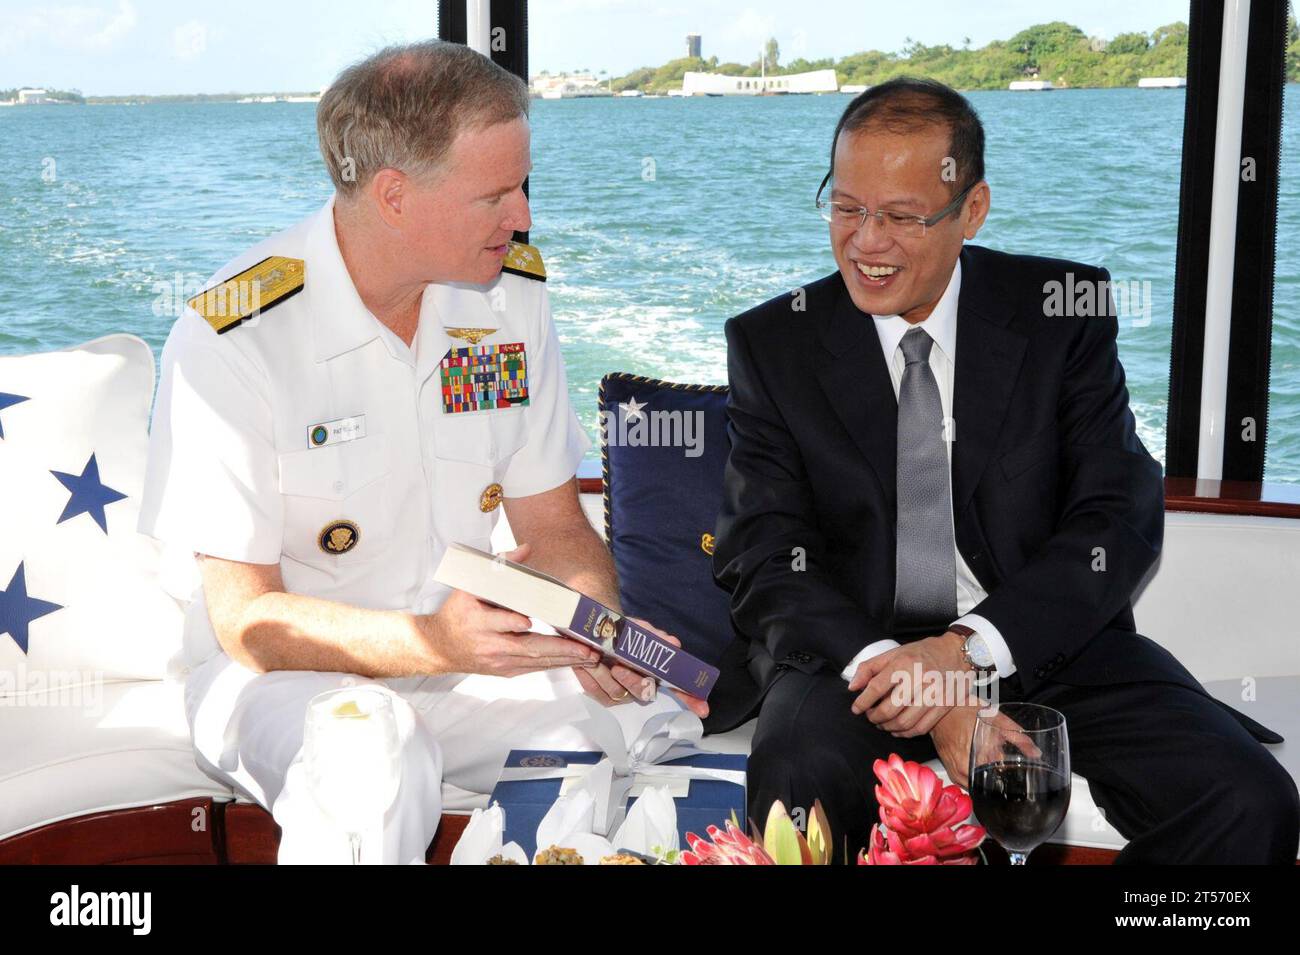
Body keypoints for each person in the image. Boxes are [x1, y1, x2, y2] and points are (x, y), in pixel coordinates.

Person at [138, 40, 704, 865]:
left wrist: (599, 628)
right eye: (495, 195)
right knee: (371, 757)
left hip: (460, 658)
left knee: (644, 726)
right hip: (277, 677)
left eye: (523, 185)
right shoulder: (237, 334)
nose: (523, 217)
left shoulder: (509, 299)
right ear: (394, 195)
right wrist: (433, 641)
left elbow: (552, 526)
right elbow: (247, 621)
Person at [711, 77, 1299, 864]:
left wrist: (965, 653)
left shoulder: (1064, 310)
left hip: (1036, 639)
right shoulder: (772, 343)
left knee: (1250, 801)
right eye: (846, 207)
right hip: (851, 654)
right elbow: (762, 552)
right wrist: (930, 692)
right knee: (797, 783)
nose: (865, 242)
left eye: (901, 216)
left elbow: (1117, 517)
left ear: (973, 209)